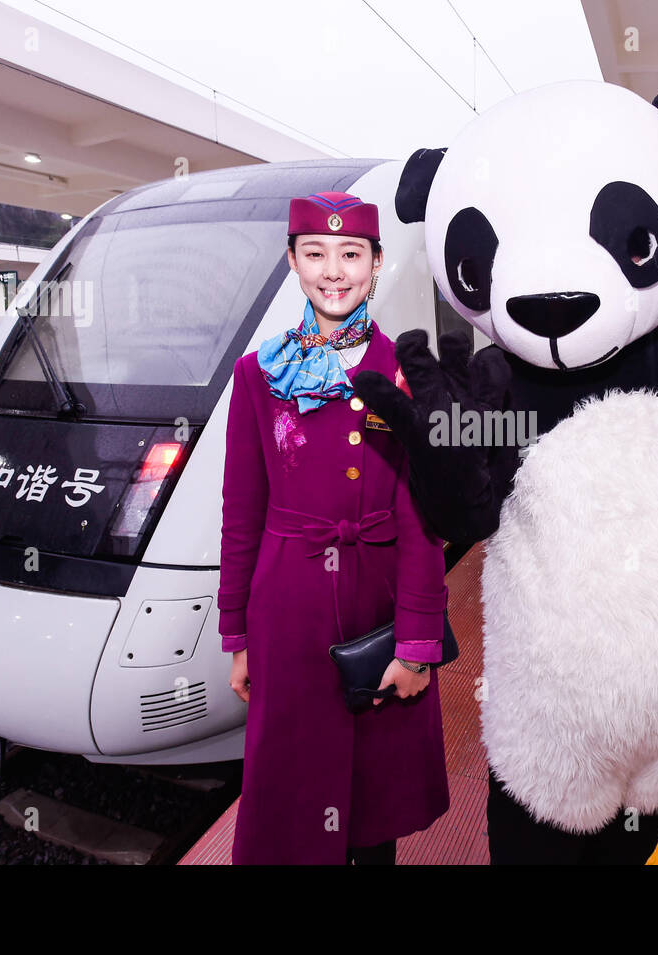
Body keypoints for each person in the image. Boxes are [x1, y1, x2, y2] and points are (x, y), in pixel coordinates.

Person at [217, 191, 450, 865]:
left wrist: (416, 643)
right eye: (315, 253)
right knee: (291, 801)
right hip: (286, 615)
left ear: (376, 264)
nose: (334, 270)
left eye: (351, 254)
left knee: (374, 812)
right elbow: (241, 514)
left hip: (378, 609)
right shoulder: (258, 376)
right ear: (292, 261)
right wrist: (239, 634)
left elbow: (423, 520)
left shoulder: (406, 375)